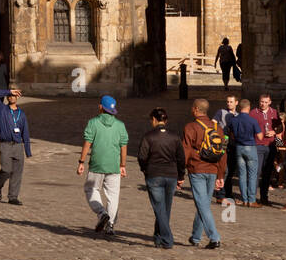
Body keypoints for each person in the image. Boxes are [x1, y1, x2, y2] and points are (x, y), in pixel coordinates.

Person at [77, 95, 129, 241]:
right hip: (114, 165)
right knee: (113, 196)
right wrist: (123, 165)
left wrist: (81, 161)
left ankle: (101, 213)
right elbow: (123, 146)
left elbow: (87, 143)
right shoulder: (120, 125)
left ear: (100, 107)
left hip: (97, 164)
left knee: (91, 189)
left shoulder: (93, 123)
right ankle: (111, 225)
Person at [137, 107, 185, 250]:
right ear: (166, 120)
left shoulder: (149, 136)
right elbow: (181, 158)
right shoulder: (175, 137)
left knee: (159, 208)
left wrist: (145, 169)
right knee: (165, 208)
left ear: (154, 120)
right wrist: (181, 175)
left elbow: (142, 157)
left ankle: (167, 238)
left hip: (154, 174)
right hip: (171, 175)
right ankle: (158, 238)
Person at [182, 99, 227, 248]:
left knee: (202, 205)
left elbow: (186, 151)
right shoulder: (218, 128)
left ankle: (214, 237)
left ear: (195, 109)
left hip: (197, 169)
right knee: (204, 204)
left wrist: (180, 173)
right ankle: (195, 237)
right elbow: (222, 153)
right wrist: (221, 175)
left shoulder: (191, 127)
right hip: (213, 169)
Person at [0, 87, 31, 205]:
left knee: (17, 172)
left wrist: (27, 150)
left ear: (18, 97)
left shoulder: (21, 114)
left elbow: (25, 132)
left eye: (14, 95)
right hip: (5, 145)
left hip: (18, 146)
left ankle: (13, 197)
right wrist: (8, 91)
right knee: (6, 170)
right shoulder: (2, 109)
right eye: (10, 95)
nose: (11, 97)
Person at [227, 99, 263, 206]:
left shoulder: (234, 120)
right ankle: (251, 200)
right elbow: (260, 137)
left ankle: (244, 199)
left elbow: (232, 135)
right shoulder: (252, 120)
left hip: (239, 147)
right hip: (250, 147)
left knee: (242, 174)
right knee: (252, 174)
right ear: (248, 108)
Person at [250, 93, 280, 206]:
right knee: (256, 172)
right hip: (258, 145)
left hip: (271, 145)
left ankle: (264, 197)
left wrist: (274, 132)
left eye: (266, 102)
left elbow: (279, 127)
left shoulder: (274, 112)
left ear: (270, 102)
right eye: (262, 102)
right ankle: (252, 197)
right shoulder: (253, 113)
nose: (263, 104)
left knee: (267, 173)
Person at [213, 93, 239, 202]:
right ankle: (221, 194)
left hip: (234, 144)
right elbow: (213, 123)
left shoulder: (238, 115)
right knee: (224, 169)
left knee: (231, 169)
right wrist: (218, 135)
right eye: (227, 102)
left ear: (236, 103)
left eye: (231, 102)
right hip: (224, 141)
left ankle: (228, 193)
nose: (229, 104)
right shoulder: (221, 112)